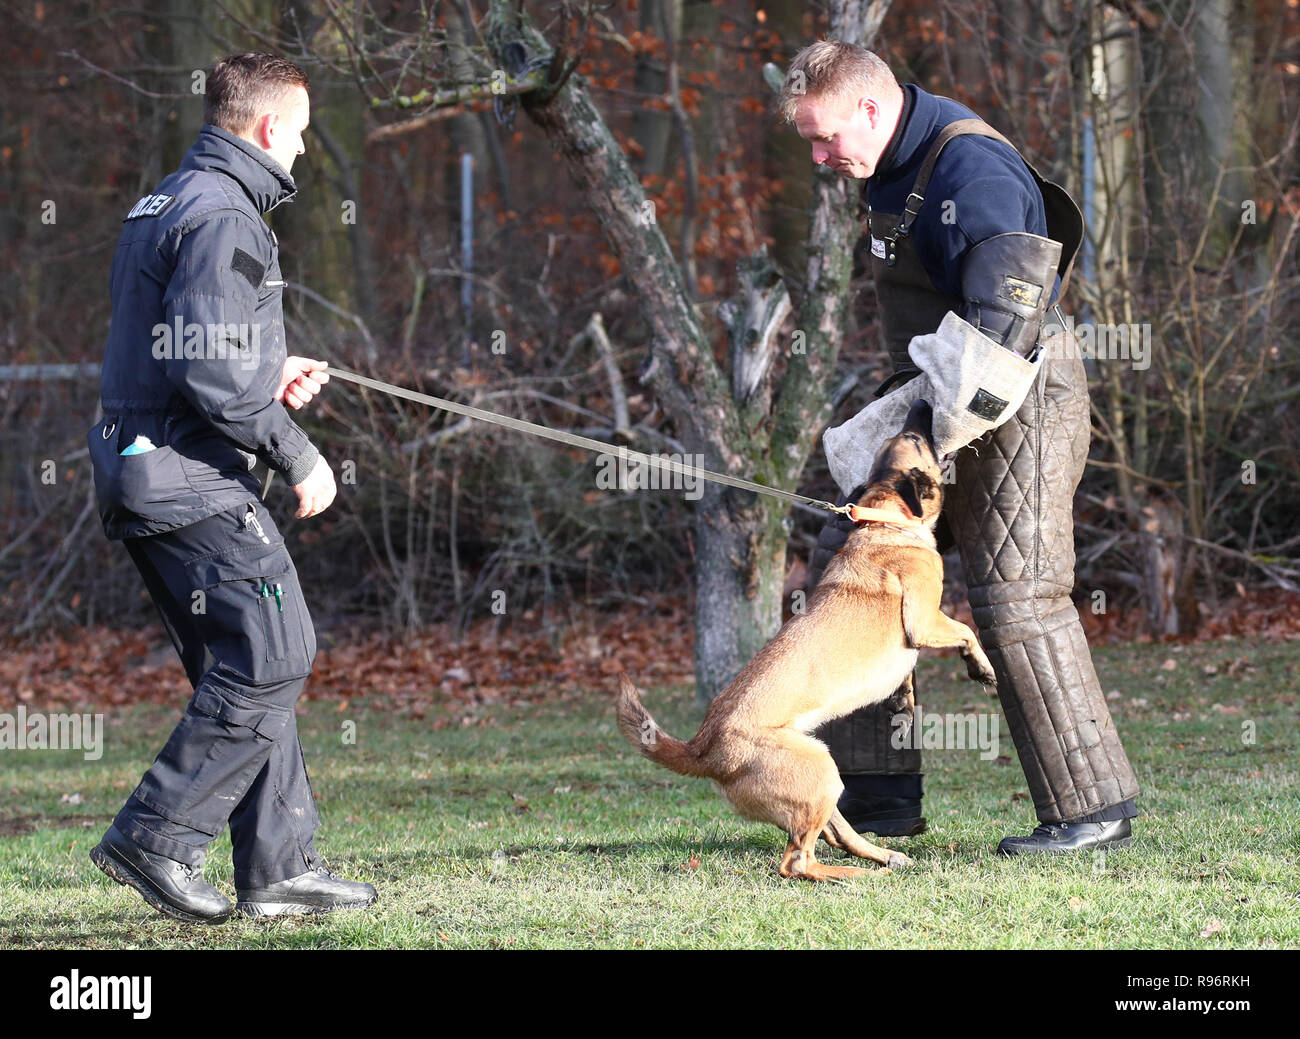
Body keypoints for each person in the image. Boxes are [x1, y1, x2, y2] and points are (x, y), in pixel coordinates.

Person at [779, 40, 1139, 854]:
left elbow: (1001, 337)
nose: (819, 154)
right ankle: (874, 801)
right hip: (937, 398)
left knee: (1017, 595)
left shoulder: (970, 170)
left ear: (870, 108)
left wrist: (910, 444)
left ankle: (1092, 810)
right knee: (850, 565)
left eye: (824, 135)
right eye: (809, 139)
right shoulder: (886, 166)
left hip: (1016, 395)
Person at [86, 52, 375, 920]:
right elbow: (209, 364)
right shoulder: (226, 217)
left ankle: (280, 867)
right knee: (273, 654)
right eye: (300, 136)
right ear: (270, 128)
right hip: (188, 475)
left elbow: (180, 346)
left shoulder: (168, 201)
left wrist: (264, 371)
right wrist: (298, 450)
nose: (299, 155)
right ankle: (156, 836)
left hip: (143, 462)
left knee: (248, 664)